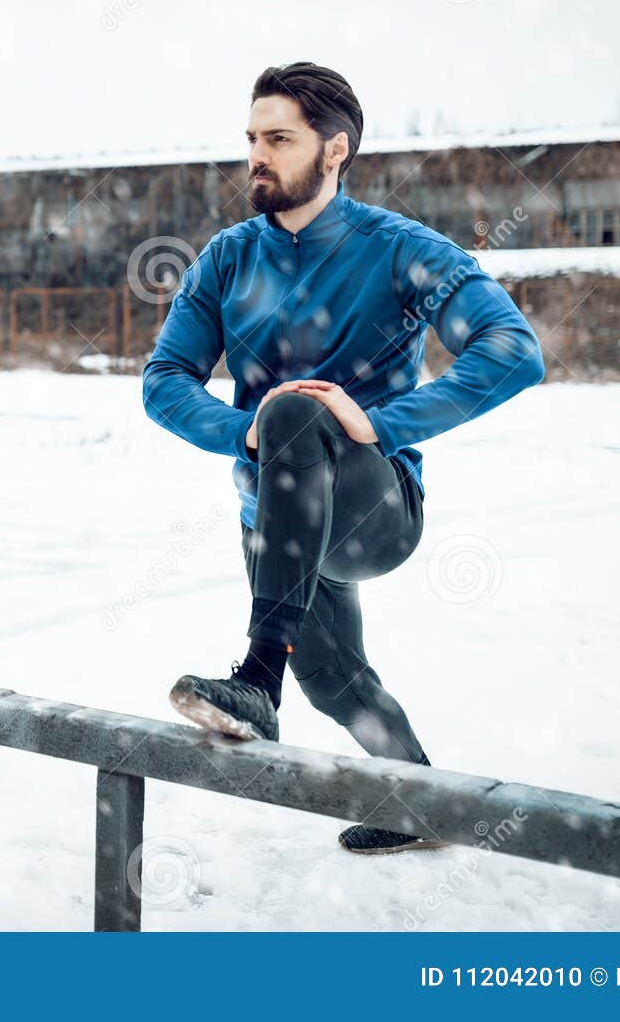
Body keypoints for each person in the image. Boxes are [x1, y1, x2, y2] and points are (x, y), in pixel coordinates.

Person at [141, 61, 545, 854]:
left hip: (372, 510)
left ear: (335, 150)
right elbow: (164, 380)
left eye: (279, 139)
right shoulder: (227, 258)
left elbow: (512, 349)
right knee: (333, 678)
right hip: (274, 516)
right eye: (252, 138)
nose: (257, 156)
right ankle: (420, 800)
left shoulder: (399, 249)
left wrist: (380, 424)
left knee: (297, 408)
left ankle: (258, 678)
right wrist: (243, 432)